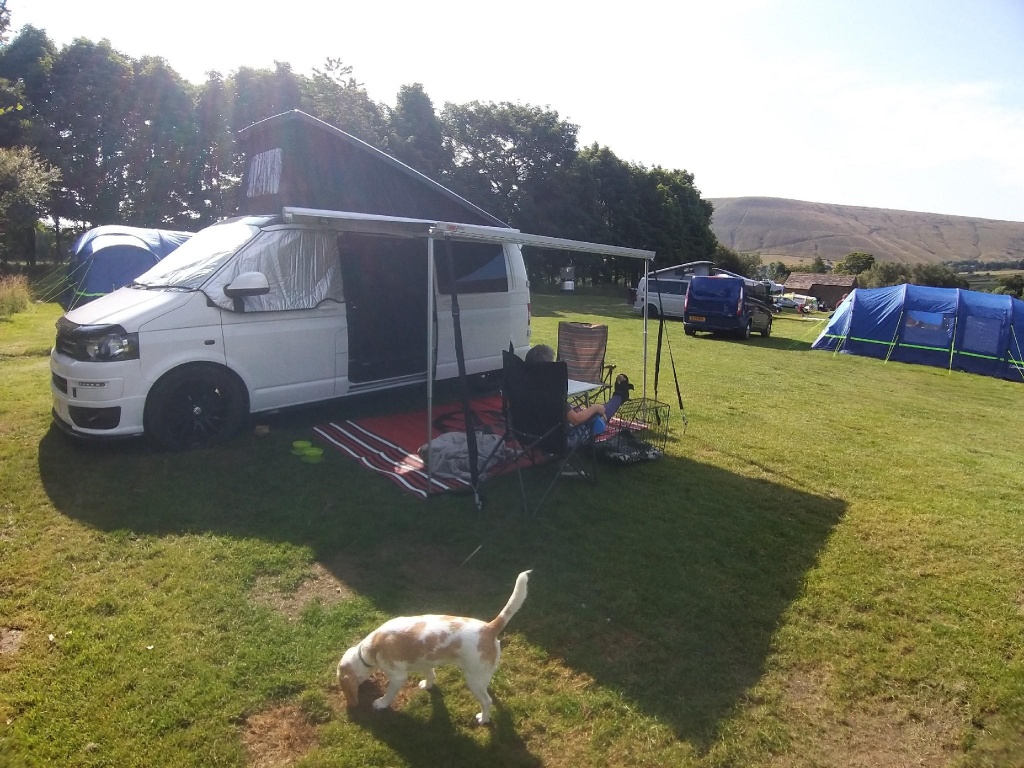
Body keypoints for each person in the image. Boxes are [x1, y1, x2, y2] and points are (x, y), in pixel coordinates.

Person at [524, 344, 634, 447]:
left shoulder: (523, 386)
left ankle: (619, 396)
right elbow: (576, 420)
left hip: (530, 436)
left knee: (576, 410)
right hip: (560, 441)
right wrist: (595, 407)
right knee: (597, 415)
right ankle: (619, 396)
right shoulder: (553, 392)